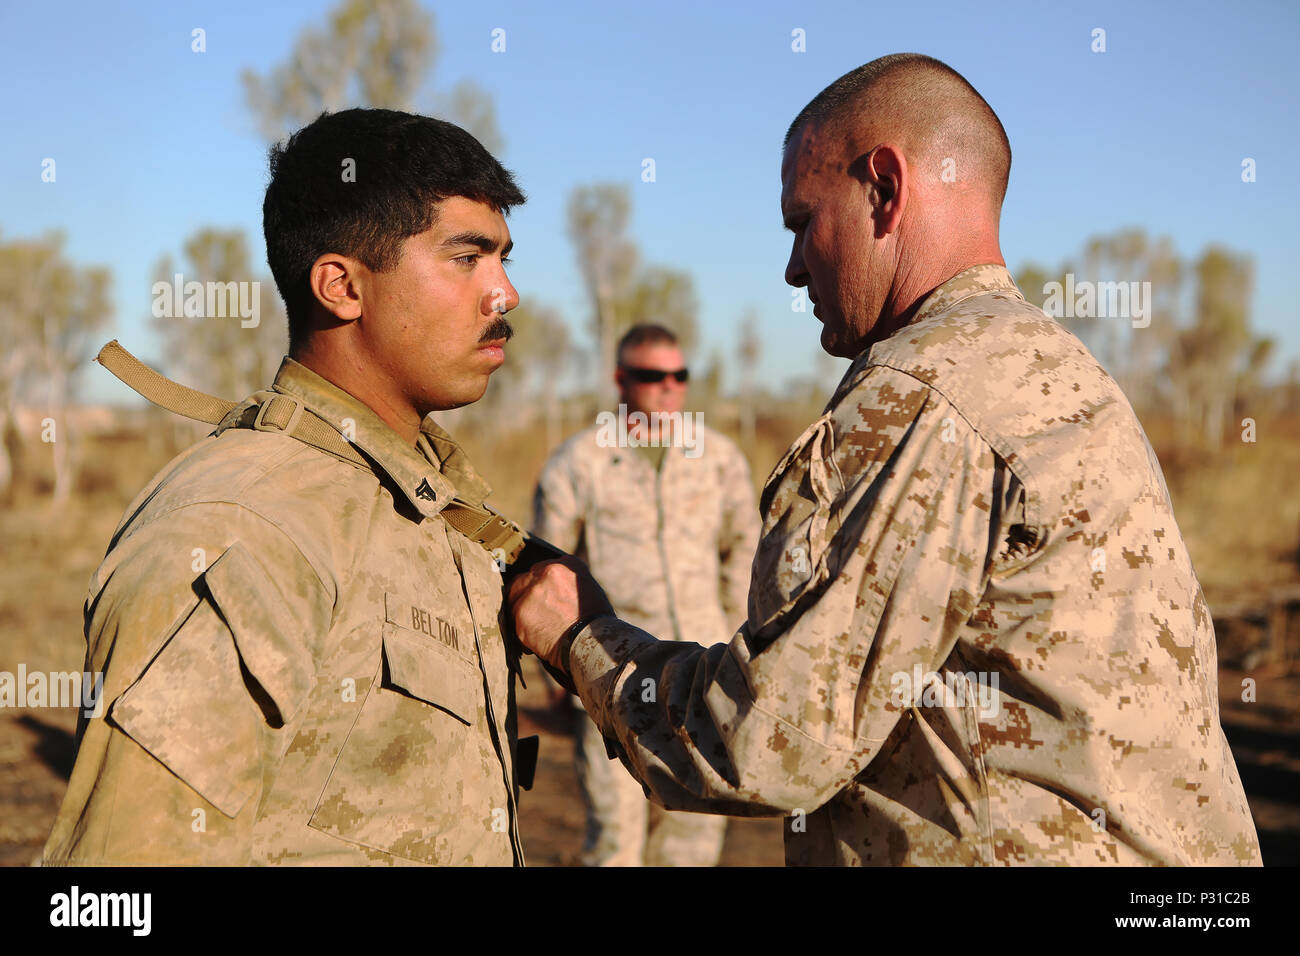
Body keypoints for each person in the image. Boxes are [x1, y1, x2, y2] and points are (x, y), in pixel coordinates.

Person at [508, 54, 1264, 865]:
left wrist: (579, 634)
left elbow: (770, 743)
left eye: (803, 221)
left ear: (885, 187)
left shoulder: (917, 393)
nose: (794, 265)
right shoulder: (1057, 369)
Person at [42, 108, 533, 865]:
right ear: (341, 287)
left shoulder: (430, 508)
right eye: (467, 258)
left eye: (502, 258)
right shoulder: (243, 529)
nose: (505, 294)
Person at [531, 324, 759, 866]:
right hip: (612, 676)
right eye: (652, 376)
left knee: (694, 847)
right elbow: (547, 576)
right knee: (615, 844)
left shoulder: (719, 458)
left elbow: (744, 555)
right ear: (620, 380)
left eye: (678, 375)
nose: (668, 387)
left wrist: (737, 649)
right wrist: (559, 676)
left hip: (705, 679)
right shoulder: (579, 463)